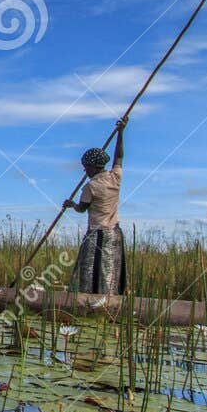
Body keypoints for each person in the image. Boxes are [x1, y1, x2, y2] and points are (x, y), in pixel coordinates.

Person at [63, 124, 127, 294]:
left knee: (91, 268)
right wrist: (121, 133)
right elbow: (119, 156)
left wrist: (71, 205)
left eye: (86, 167)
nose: (84, 170)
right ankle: (110, 297)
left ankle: (90, 300)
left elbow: (81, 209)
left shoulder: (90, 187)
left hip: (97, 233)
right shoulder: (115, 177)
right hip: (114, 232)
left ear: (93, 167)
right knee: (110, 268)